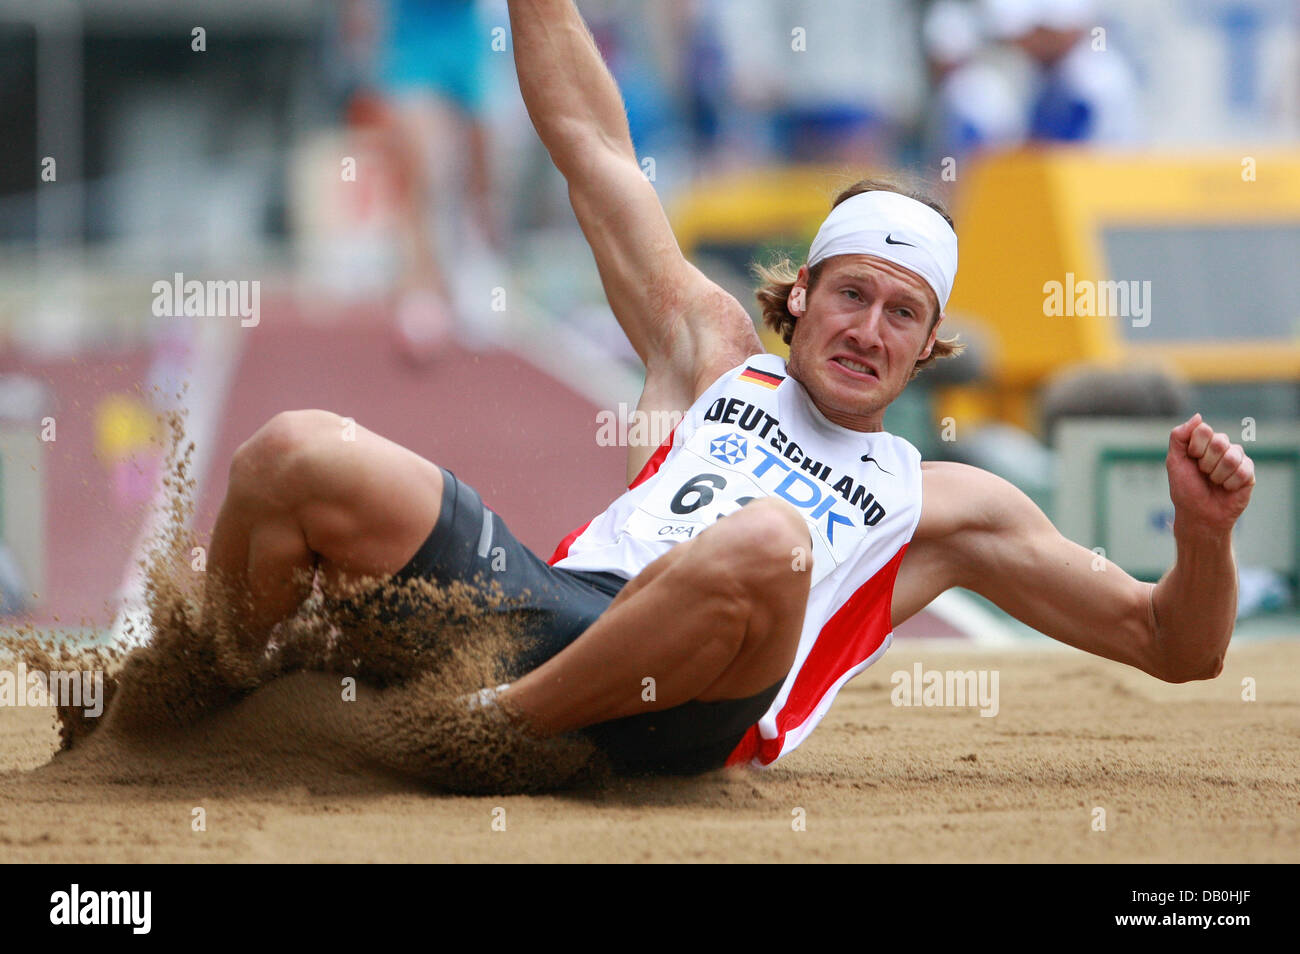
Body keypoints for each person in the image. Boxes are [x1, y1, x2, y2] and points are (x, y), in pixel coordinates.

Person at [193, 0, 1251, 777]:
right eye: (850, 296)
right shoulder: (708, 350)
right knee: (294, 451)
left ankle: (490, 731)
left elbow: (1172, 645)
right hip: (558, 614)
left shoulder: (943, 503)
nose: (867, 331)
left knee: (769, 541)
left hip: (689, 712)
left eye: (901, 314)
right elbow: (593, 146)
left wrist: (1202, 540)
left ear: (927, 346)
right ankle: (201, 706)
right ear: (799, 296)